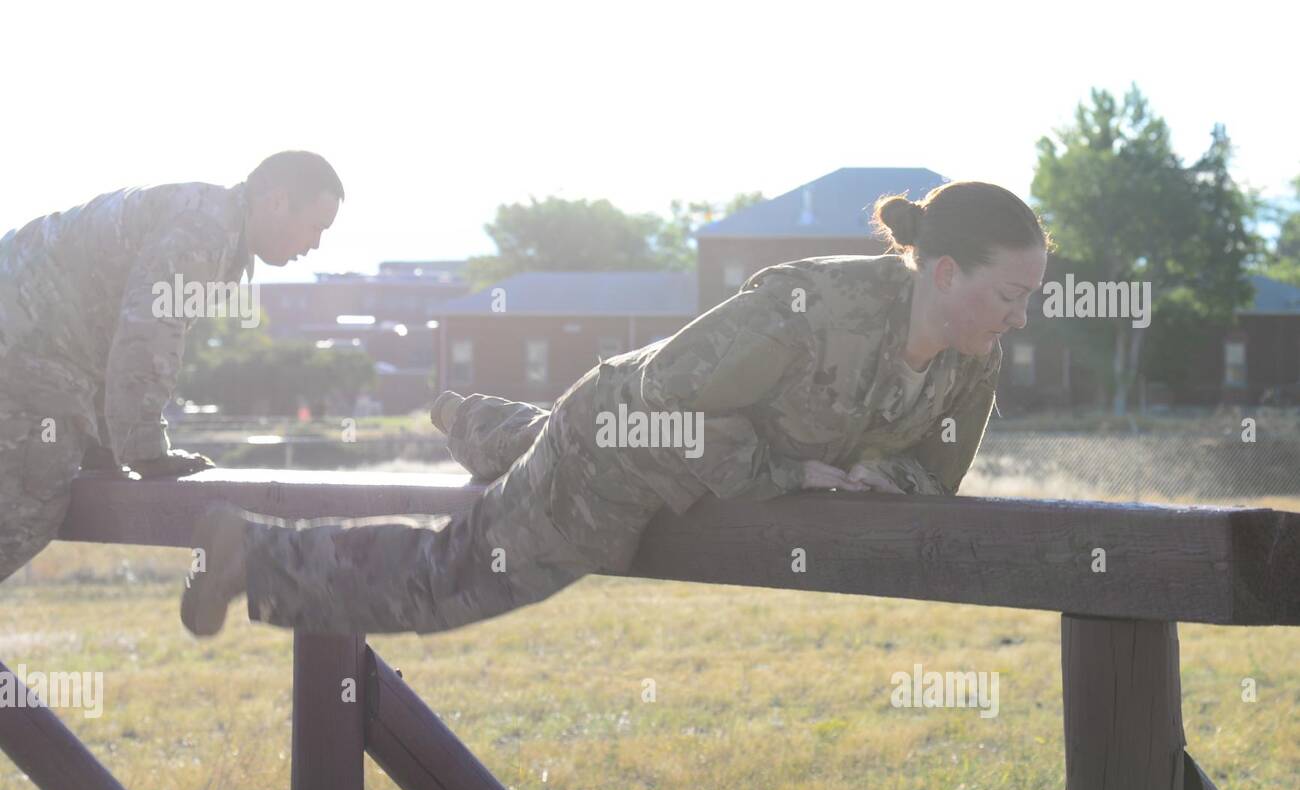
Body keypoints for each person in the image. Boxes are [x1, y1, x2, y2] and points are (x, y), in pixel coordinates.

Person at [180, 181, 1051, 637]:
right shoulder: (810, 306)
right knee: (453, 582)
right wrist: (783, 473)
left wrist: (873, 481)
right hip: (622, 447)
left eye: (1030, 299)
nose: (1020, 318)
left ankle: (481, 420)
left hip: (658, 457)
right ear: (944, 273)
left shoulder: (970, 364)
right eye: (1011, 295)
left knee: (541, 444)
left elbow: (932, 478)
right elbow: (662, 399)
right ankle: (250, 553)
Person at [0, 151, 345, 586]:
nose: (314, 244)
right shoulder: (203, 232)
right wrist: (145, 449)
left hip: (36, 335)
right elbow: (147, 333)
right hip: (25, 337)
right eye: (316, 226)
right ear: (277, 201)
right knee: (31, 499)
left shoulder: (216, 225)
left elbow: (112, 332)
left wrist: (109, 444)